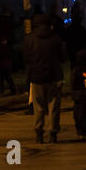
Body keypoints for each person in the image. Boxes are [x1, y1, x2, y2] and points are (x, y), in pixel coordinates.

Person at [24, 14, 66, 144]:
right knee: (53, 106)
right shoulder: (56, 39)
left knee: (39, 107)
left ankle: (39, 133)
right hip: (54, 76)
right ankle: (53, 133)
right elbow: (63, 57)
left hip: (36, 77)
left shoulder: (29, 39)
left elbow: (25, 58)